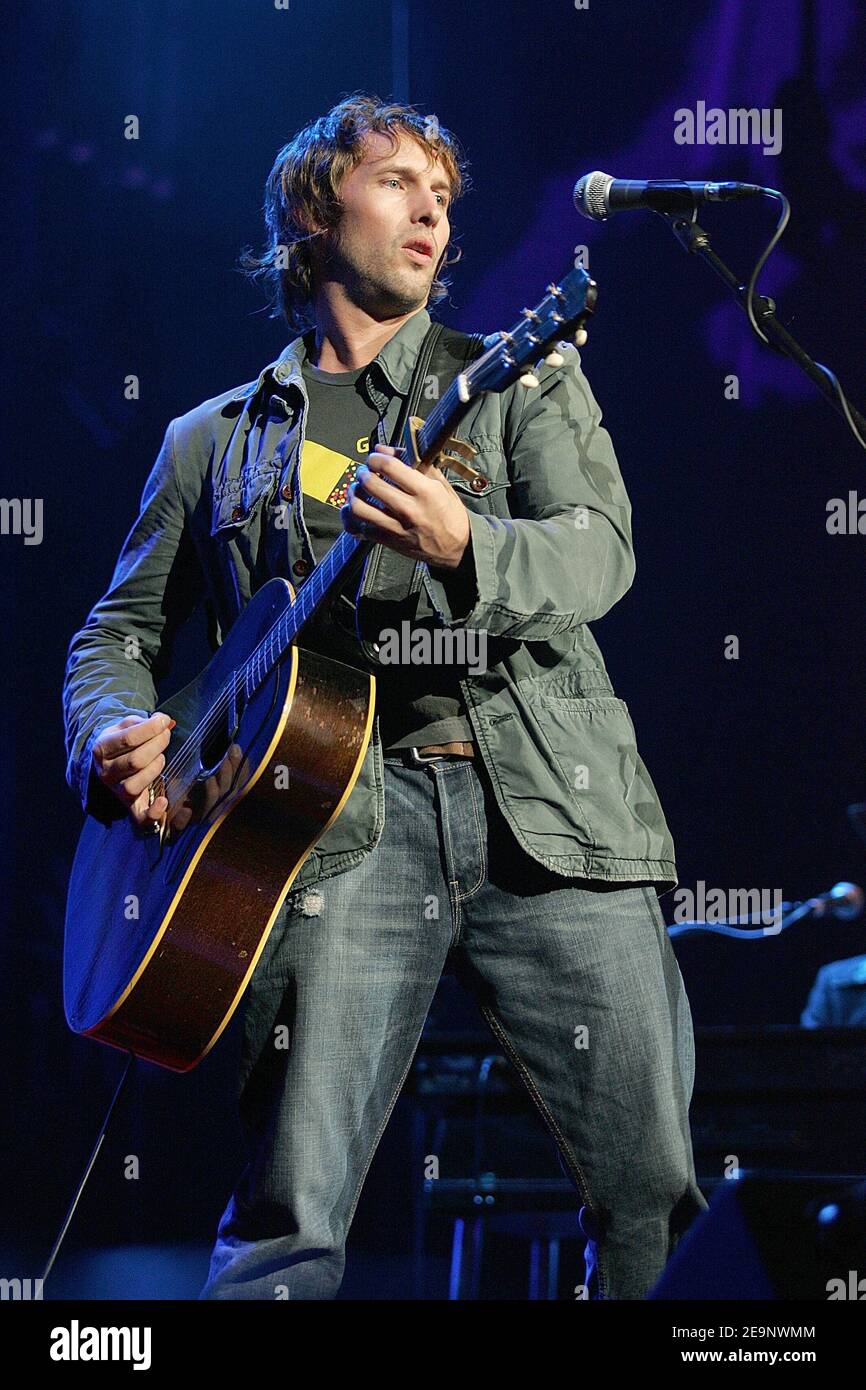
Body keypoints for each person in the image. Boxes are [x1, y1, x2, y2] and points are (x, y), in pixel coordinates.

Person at [63, 93, 708, 1300]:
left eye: (444, 195)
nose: (430, 210)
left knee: (650, 1194)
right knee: (287, 1220)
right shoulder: (209, 440)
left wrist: (472, 543)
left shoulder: (513, 378)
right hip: (326, 828)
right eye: (396, 180)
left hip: (545, 815)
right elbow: (119, 629)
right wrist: (109, 732)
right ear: (313, 212)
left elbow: (600, 553)